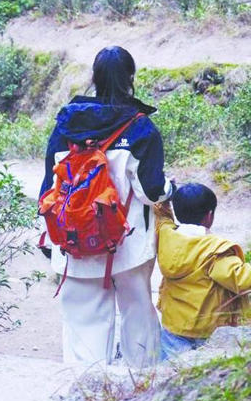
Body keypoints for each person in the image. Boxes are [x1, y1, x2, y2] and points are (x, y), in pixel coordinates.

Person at [41, 46, 174, 368]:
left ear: (94, 78)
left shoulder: (67, 125)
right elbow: (151, 192)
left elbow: (49, 187)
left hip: (74, 241)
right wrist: (171, 189)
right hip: (128, 242)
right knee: (137, 310)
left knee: (83, 321)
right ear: (131, 77)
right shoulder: (140, 128)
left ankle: (85, 392)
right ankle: (140, 390)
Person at [157, 183, 251, 359]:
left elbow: (161, 217)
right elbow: (241, 279)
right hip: (205, 331)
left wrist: (164, 197)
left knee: (173, 367)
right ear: (209, 215)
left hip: (173, 327)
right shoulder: (214, 251)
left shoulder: (166, 236)